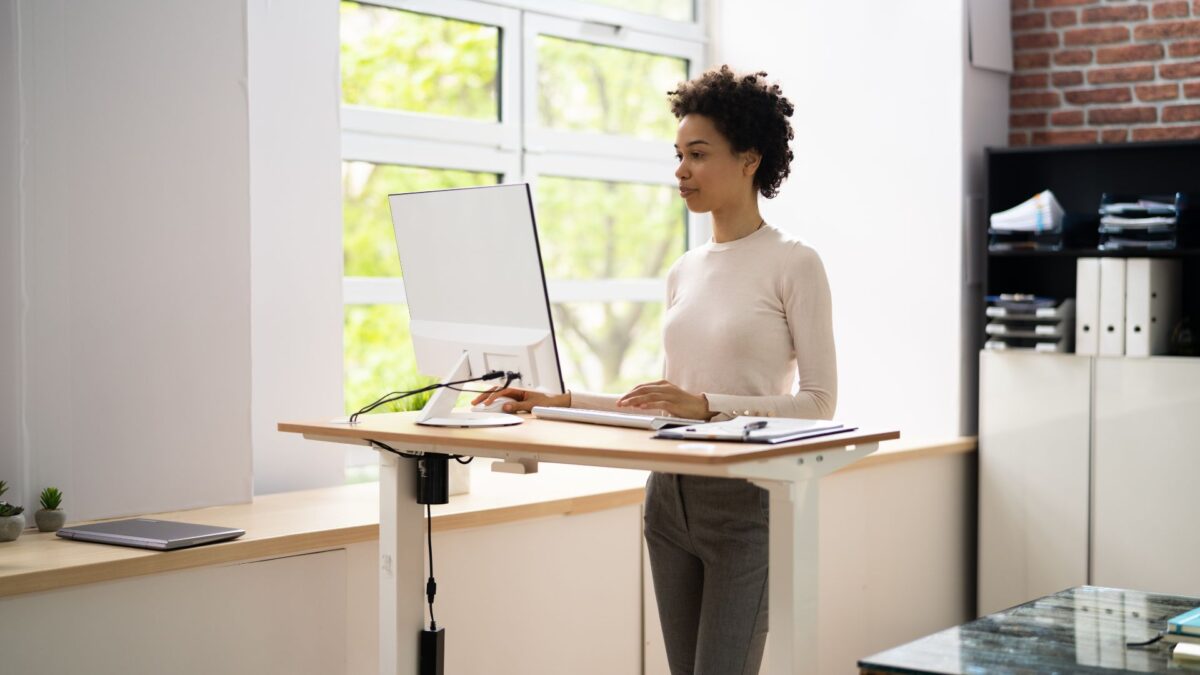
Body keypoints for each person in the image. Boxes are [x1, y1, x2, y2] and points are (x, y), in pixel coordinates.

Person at [473, 65, 836, 675]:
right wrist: (558, 401)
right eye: (678, 155)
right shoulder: (684, 270)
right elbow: (660, 407)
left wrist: (708, 406)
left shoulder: (795, 263)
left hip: (746, 504)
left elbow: (819, 405)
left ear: (750, 159)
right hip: (667, 498)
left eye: (699, 154)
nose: (681, 171)